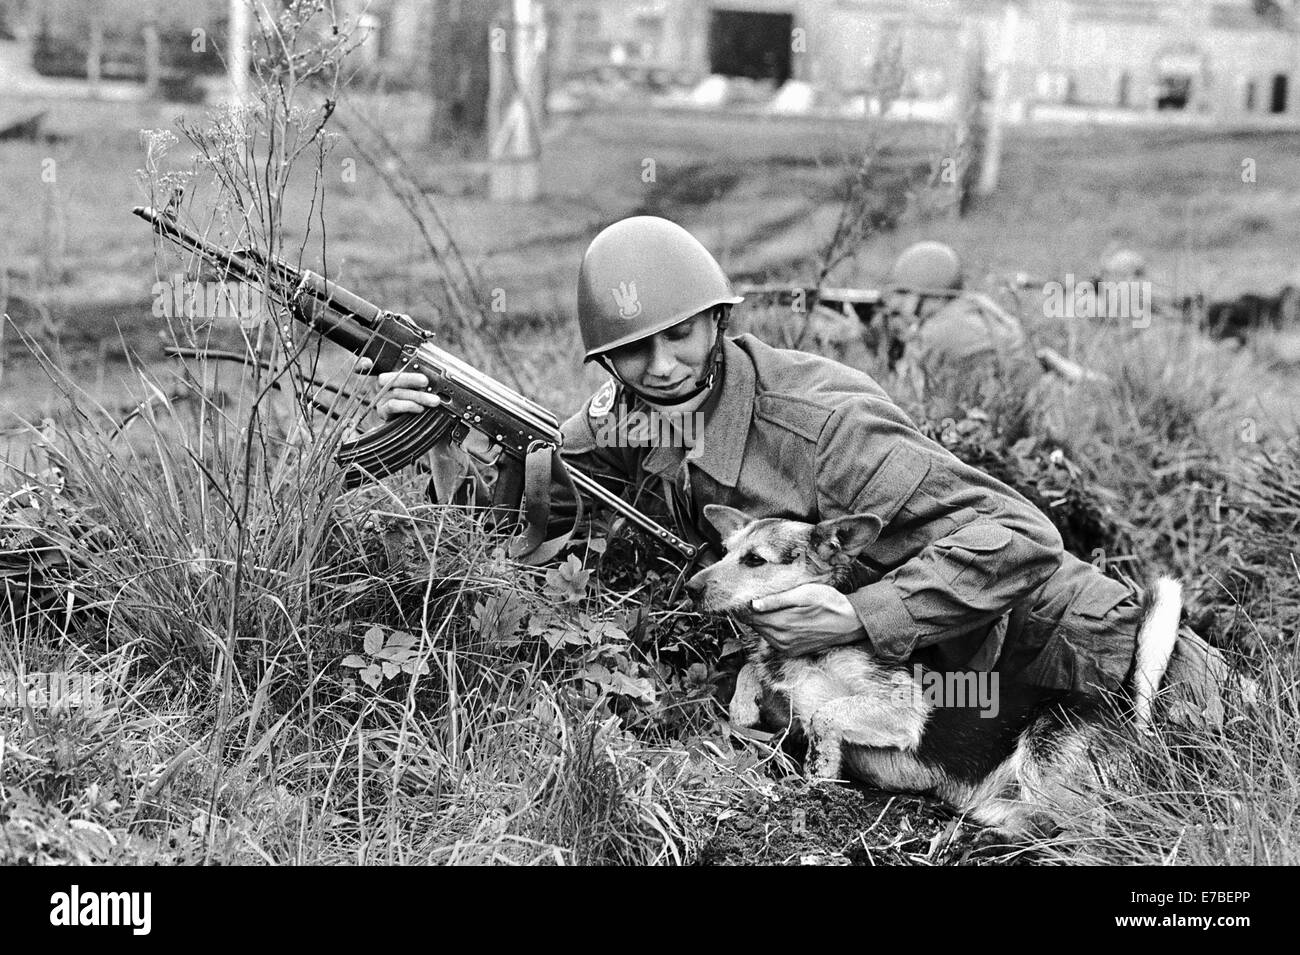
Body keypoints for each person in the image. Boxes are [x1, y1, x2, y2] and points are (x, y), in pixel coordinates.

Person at [374, 216, 1228, 727]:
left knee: (1218, 777)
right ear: (606, 361)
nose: (663, 363)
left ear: (716, 321)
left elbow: (1020, 538)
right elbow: (534, 507)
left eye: (680, 335)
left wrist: (851, 617)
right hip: (944, 699)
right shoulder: (626, 416)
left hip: (1092, 654)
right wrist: (442, 436)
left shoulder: (821, 422)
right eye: (633, 349)